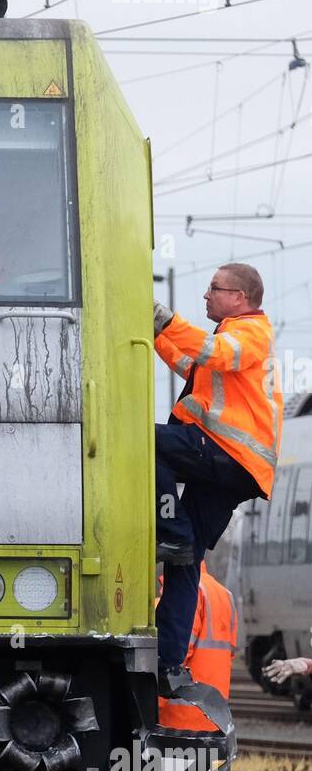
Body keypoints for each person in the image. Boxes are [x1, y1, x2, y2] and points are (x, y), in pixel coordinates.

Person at [153, 263, 282, 695]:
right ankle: (168, 667)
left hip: (229, 456)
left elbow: (214, 353)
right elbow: (191, 361)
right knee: (184, 565)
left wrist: (167, 320)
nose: (206, 295)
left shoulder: (250, 332)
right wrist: (154, 334)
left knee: (140, 441)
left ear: (239, 298)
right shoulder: (231, 339)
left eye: (215, 288)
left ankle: (170, 529)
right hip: (231, 469)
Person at [157, 563, 237, 731]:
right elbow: (229, 653)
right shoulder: (225, 594)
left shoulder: (183, 589)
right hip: (213, 712)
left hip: (180, 716)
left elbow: (177, 652)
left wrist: (157, 700)